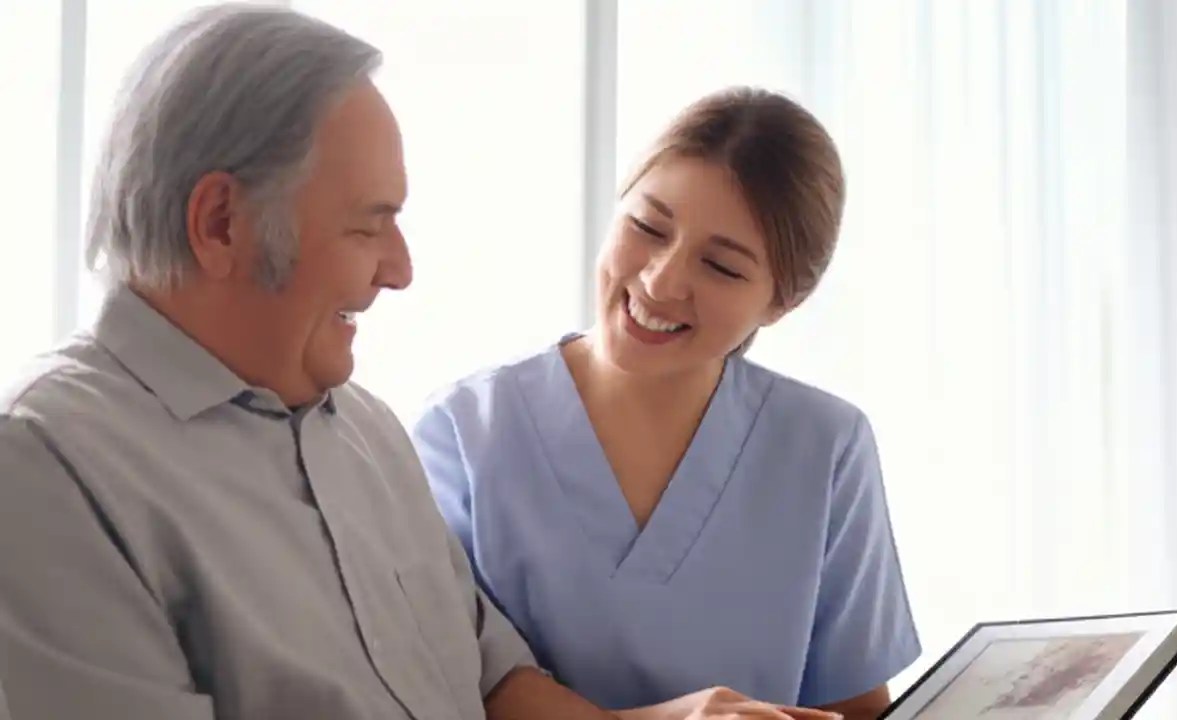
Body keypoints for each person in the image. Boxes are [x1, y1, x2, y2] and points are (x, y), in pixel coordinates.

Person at [0, 6, 824, 720]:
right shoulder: (46, 467)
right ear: (221, 223)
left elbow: (491, 677)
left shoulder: (360, 430)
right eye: (369, 226)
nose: (399, 269)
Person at [410, 87, 922, 720]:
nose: (660, 280)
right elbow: (439, 691)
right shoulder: (463, 434)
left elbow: (854, 709)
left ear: (781, 302)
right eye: (647, 227)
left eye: (722, 267)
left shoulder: (826, 448)